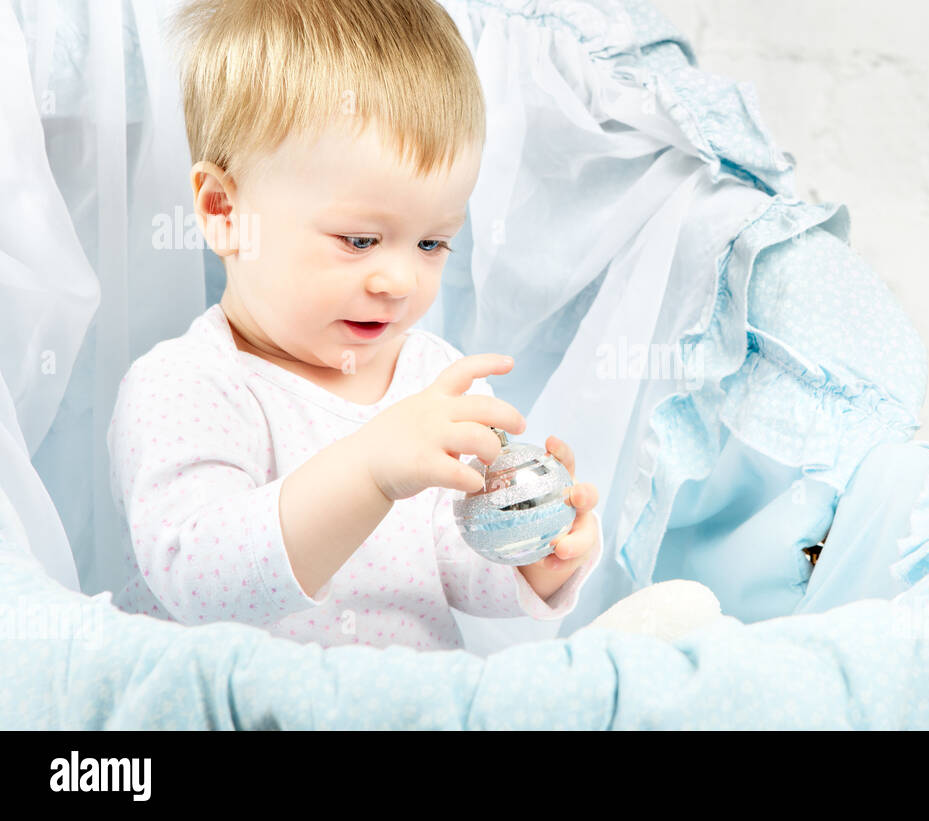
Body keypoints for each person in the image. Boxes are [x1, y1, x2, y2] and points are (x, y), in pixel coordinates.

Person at [107, 0, 602, 650]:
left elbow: (453, 564)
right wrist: (368, 472)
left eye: (431, 243)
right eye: (360, 239)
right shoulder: (186, 383)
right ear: (225, 211)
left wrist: (528, 555)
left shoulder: (433, 381)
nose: (398, 281)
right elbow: (197, 579)